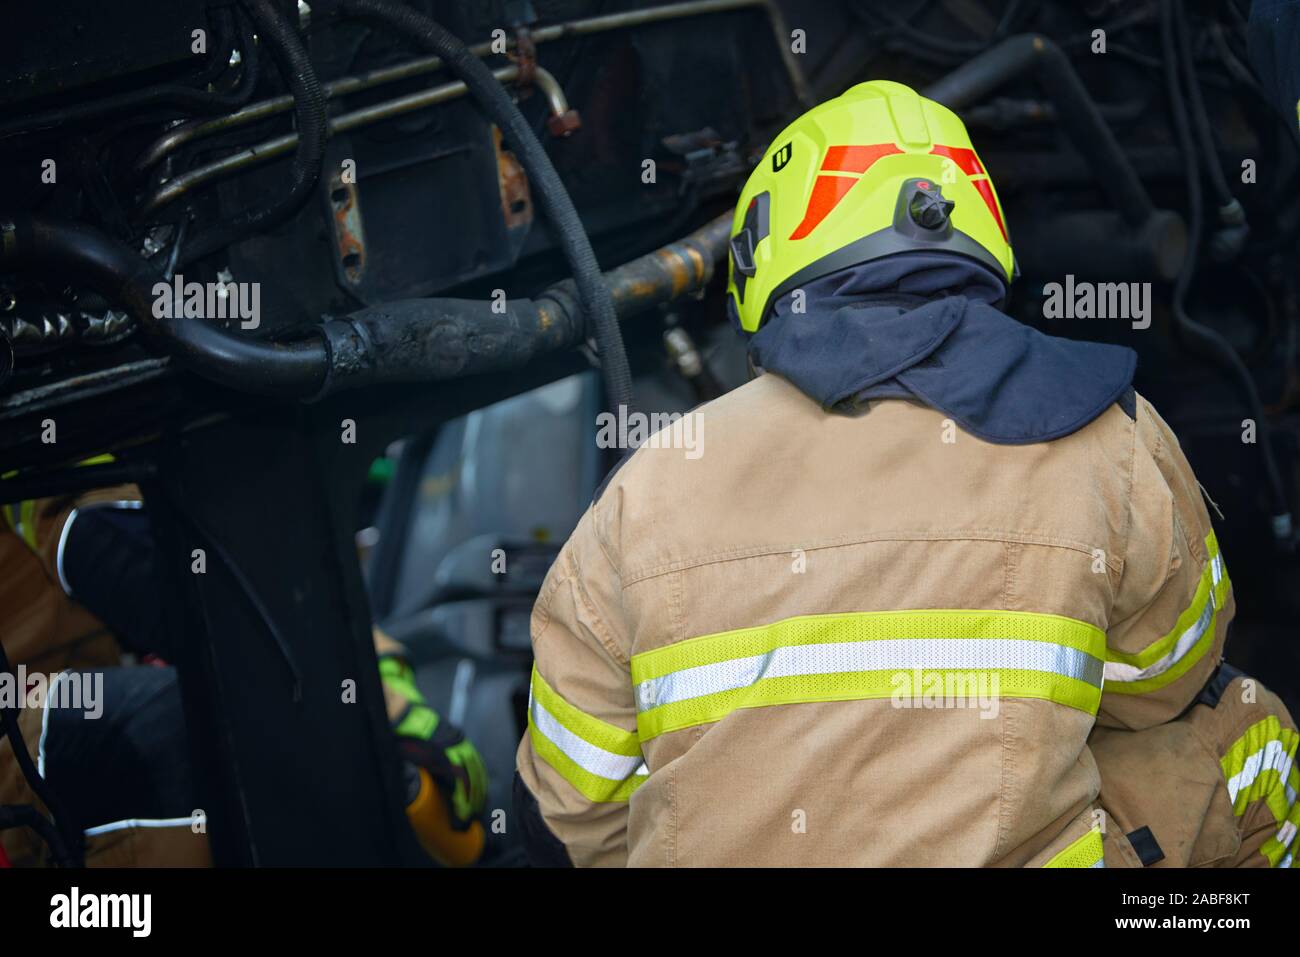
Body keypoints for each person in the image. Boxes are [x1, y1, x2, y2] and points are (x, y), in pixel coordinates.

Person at [514, 80, 1297, 867]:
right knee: (1250, 729)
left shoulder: (648, 486)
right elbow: (1164, 679)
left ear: (764, 251)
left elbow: (574, 806)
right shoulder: (1104, 429)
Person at [0, 482, 487, 866]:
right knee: (221, 735)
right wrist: (375, 702)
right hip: (18, 724)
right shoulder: (46, 362)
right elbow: (114, 554)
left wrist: (373, 679)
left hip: (96, 672)